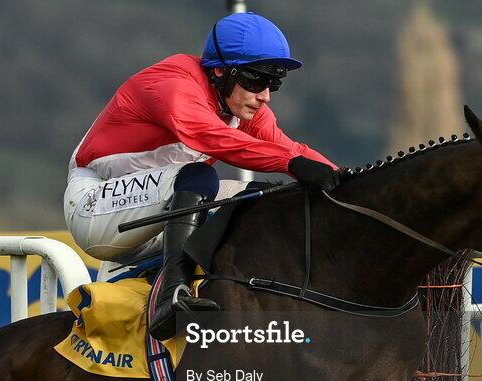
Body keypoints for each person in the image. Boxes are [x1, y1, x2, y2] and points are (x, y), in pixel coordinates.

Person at [64, 12, 341, 340]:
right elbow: (213, 138)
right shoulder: (173, 83)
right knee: (198, 176)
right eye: (256, 81)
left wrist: (349, 182)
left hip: (156, 220)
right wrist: (292, 164)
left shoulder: (240, 105)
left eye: (273, 83)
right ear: (221, 70)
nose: (264, 95)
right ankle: (172, 297)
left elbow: (288, 148)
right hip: (95, 207)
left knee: (267, 197)